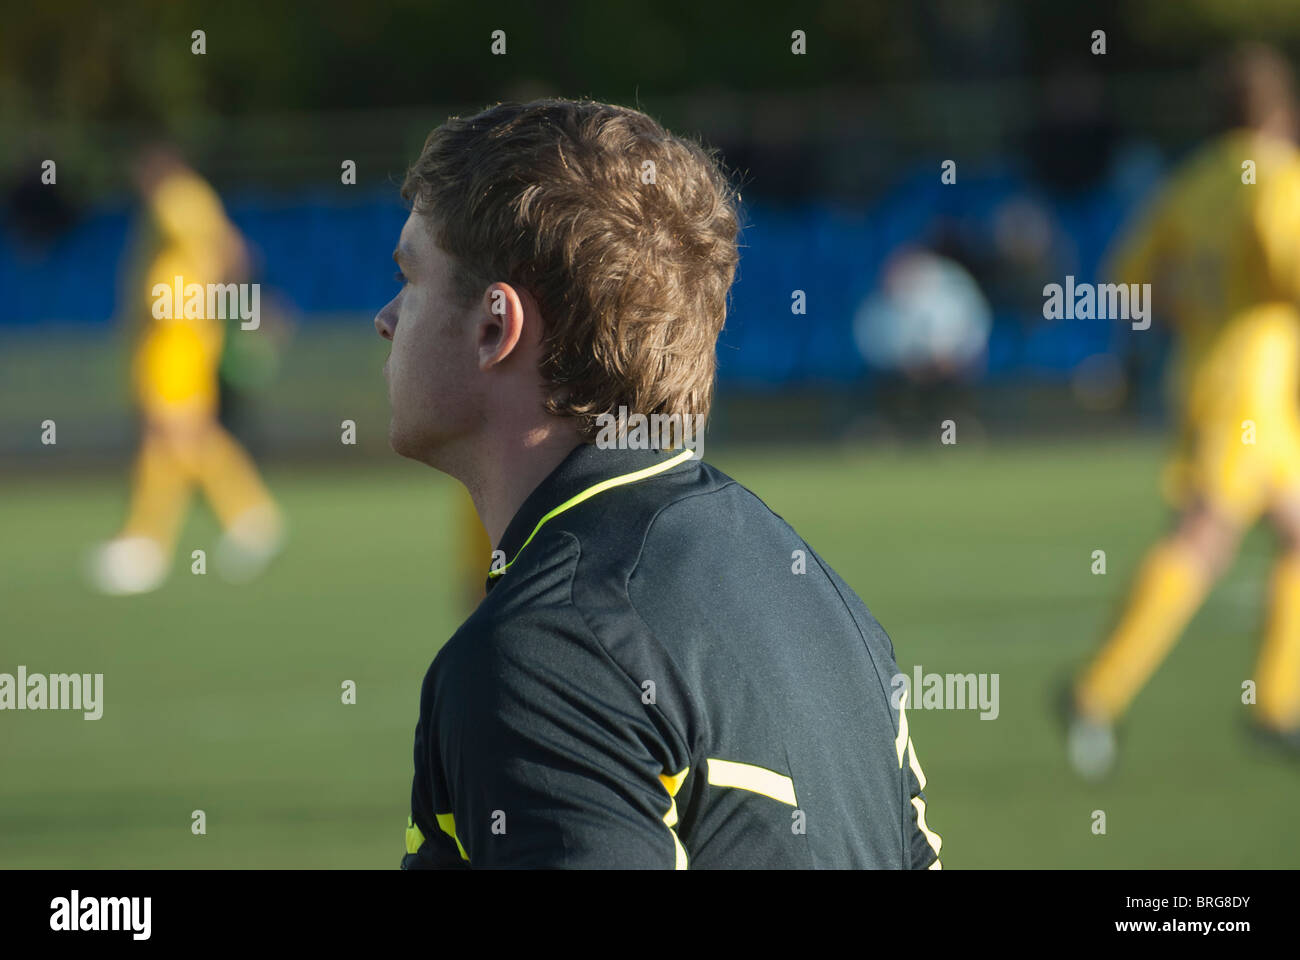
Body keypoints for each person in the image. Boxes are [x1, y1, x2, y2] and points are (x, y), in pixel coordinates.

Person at [379, 99, 941, 868]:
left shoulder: (548, 649)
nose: (386, 317)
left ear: (493, 327)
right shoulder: (819, 595)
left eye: (410, 277)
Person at [1068, 45, 1300, 778]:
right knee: (1205, 537)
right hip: (1251, 388)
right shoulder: (1275, 179)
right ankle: (1097, 691)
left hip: (1205, 376)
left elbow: (1128, 279)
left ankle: (1275, 703)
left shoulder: (1190, 182)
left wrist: (1186, 312)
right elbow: (1283, 258)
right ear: (1281, 111)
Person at [90, 146, 283, 595]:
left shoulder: (178, 198)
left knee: (176, 432)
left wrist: (218, 307)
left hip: (179, 338)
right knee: (174, 438)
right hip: (170, 337)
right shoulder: (178, 202)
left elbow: (230, 251)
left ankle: (161, 540)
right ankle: (224, 524)